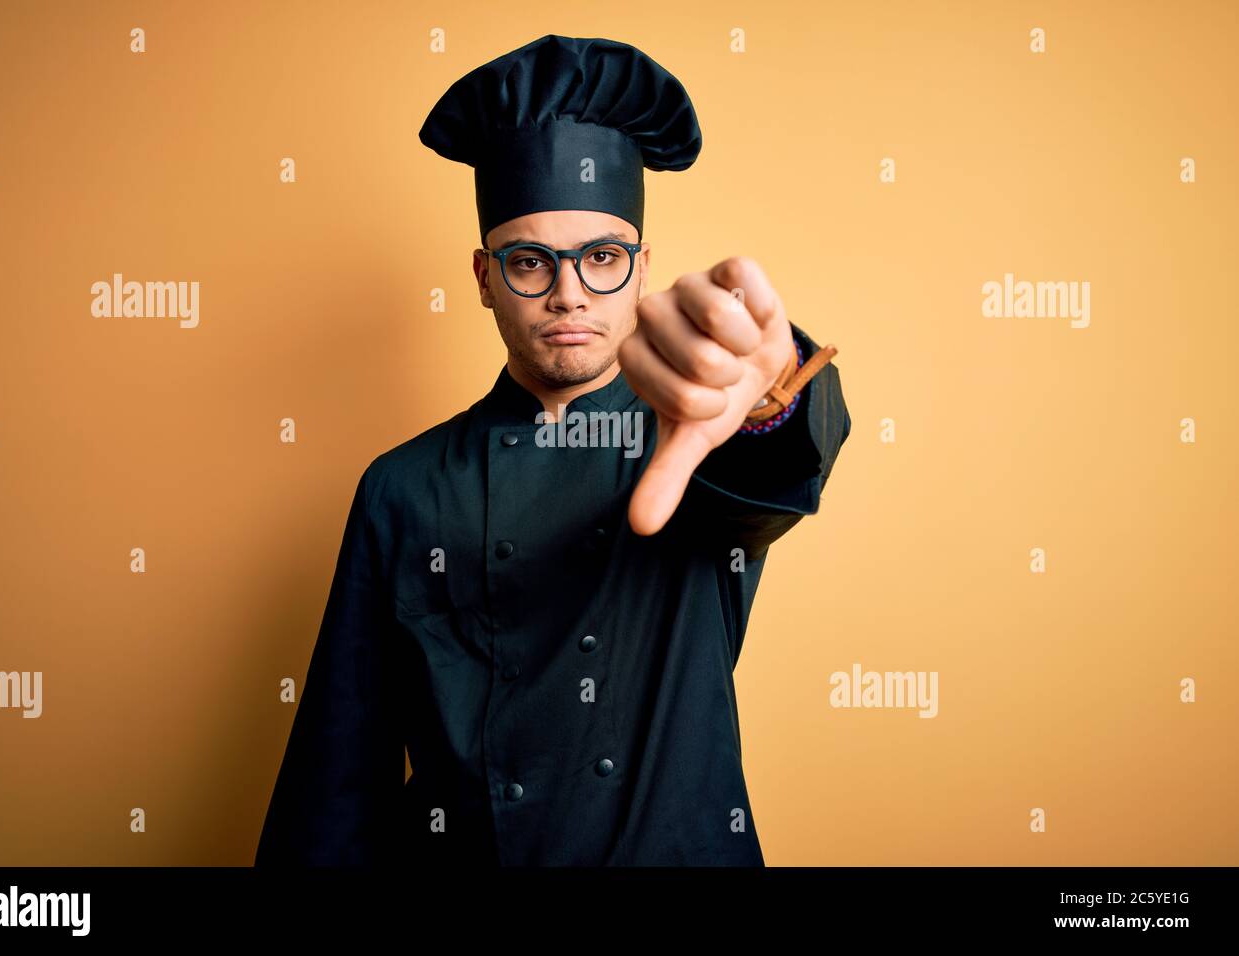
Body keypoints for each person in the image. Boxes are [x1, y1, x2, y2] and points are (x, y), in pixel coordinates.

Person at [255, 33, 851, 867]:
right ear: (483, 276)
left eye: (601, 258)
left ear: (641, 268)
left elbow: (773, 471)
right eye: (531, 260)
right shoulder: (402, 488)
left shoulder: (694, 448)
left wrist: (767, 396)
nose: (569, 291)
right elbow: (338, 771)